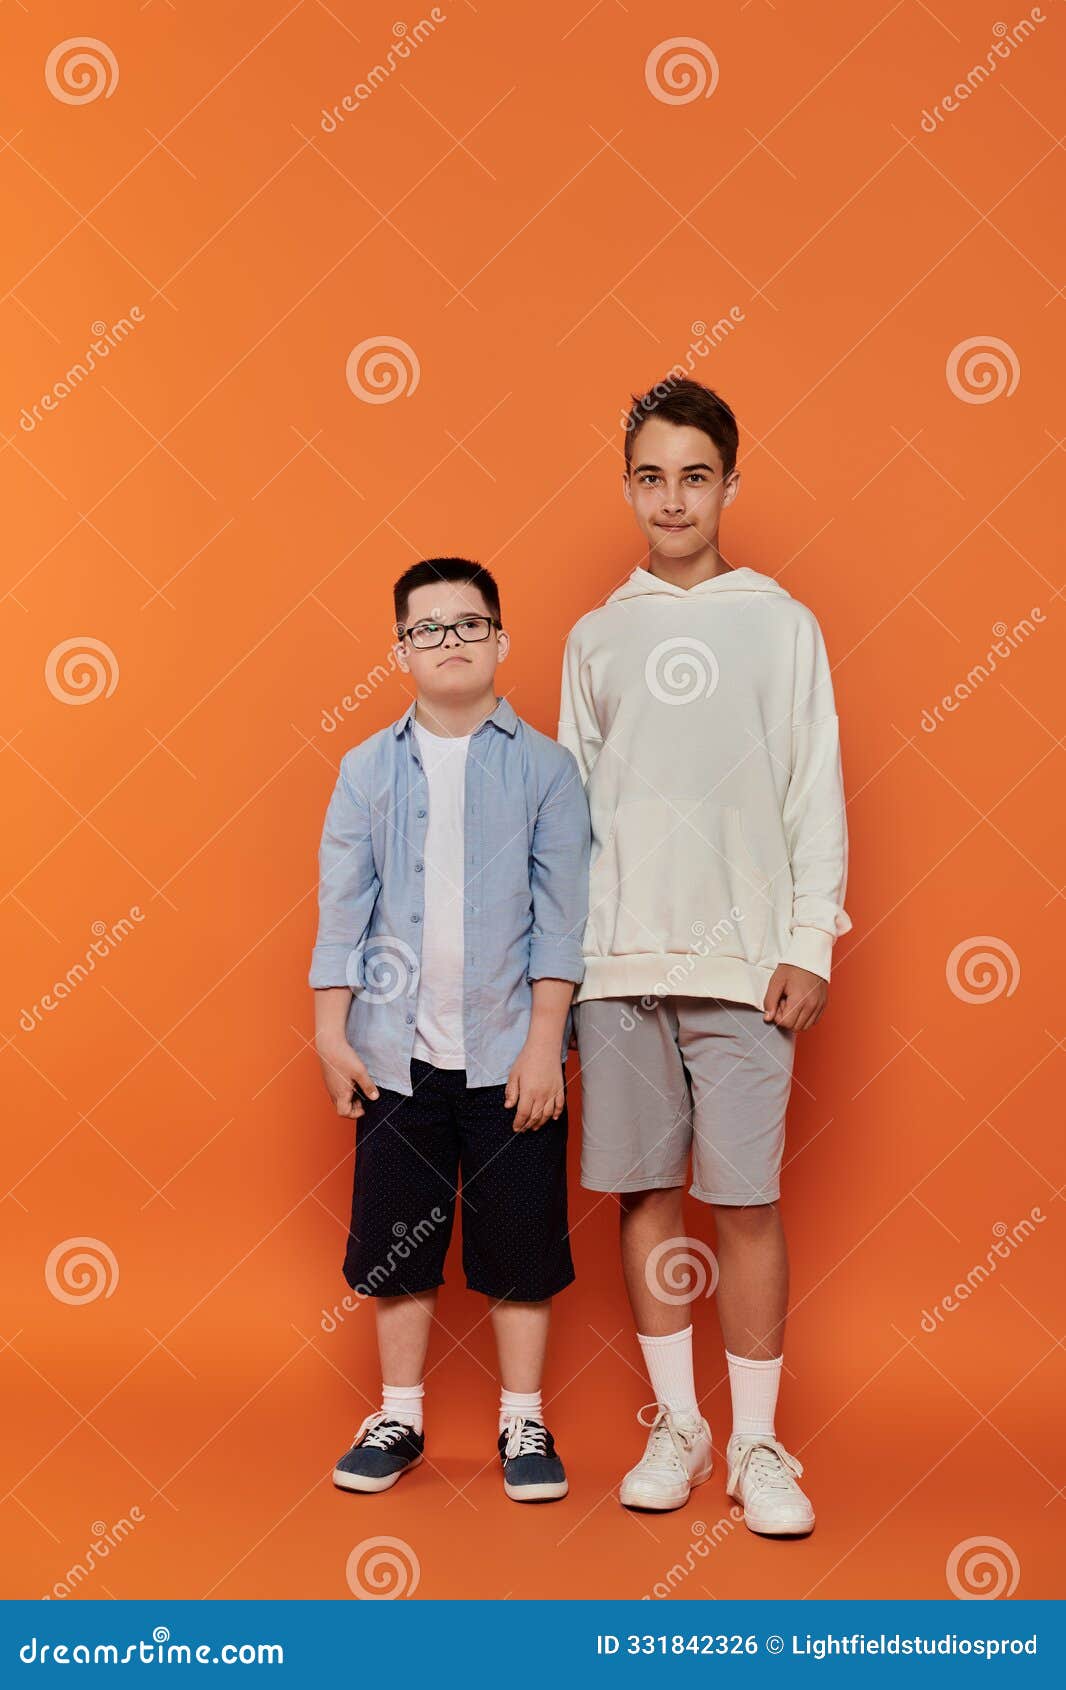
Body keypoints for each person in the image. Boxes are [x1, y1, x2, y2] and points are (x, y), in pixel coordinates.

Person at [559, 377, 852, 1534]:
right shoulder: (596, 636)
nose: (671, 499)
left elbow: (812, 786)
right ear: (627, 486)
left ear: (730, 481)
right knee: (645, 1191)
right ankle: (678, 1424)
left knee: (744, 1197)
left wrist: (809, 938)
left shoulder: (781, 625)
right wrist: (565, 966)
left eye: (694, 475)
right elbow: (570, 811)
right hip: (619, 964)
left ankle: (757, 1443)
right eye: (650, 476)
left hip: (744, 964)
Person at [309, 558, 589, 1503]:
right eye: (426, 628)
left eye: (469, 623)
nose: (450, 641)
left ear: (500, 639)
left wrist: (546, 1042)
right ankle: (399, 1413)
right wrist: (332, 1032)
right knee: (398, 1242)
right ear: (401, 652)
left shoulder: (547, 769)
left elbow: (562, 920)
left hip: (512, 1051)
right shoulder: (367, 769)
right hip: (395, 1053)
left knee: (520, 1241)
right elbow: (342, 911)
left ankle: (522, 1418)